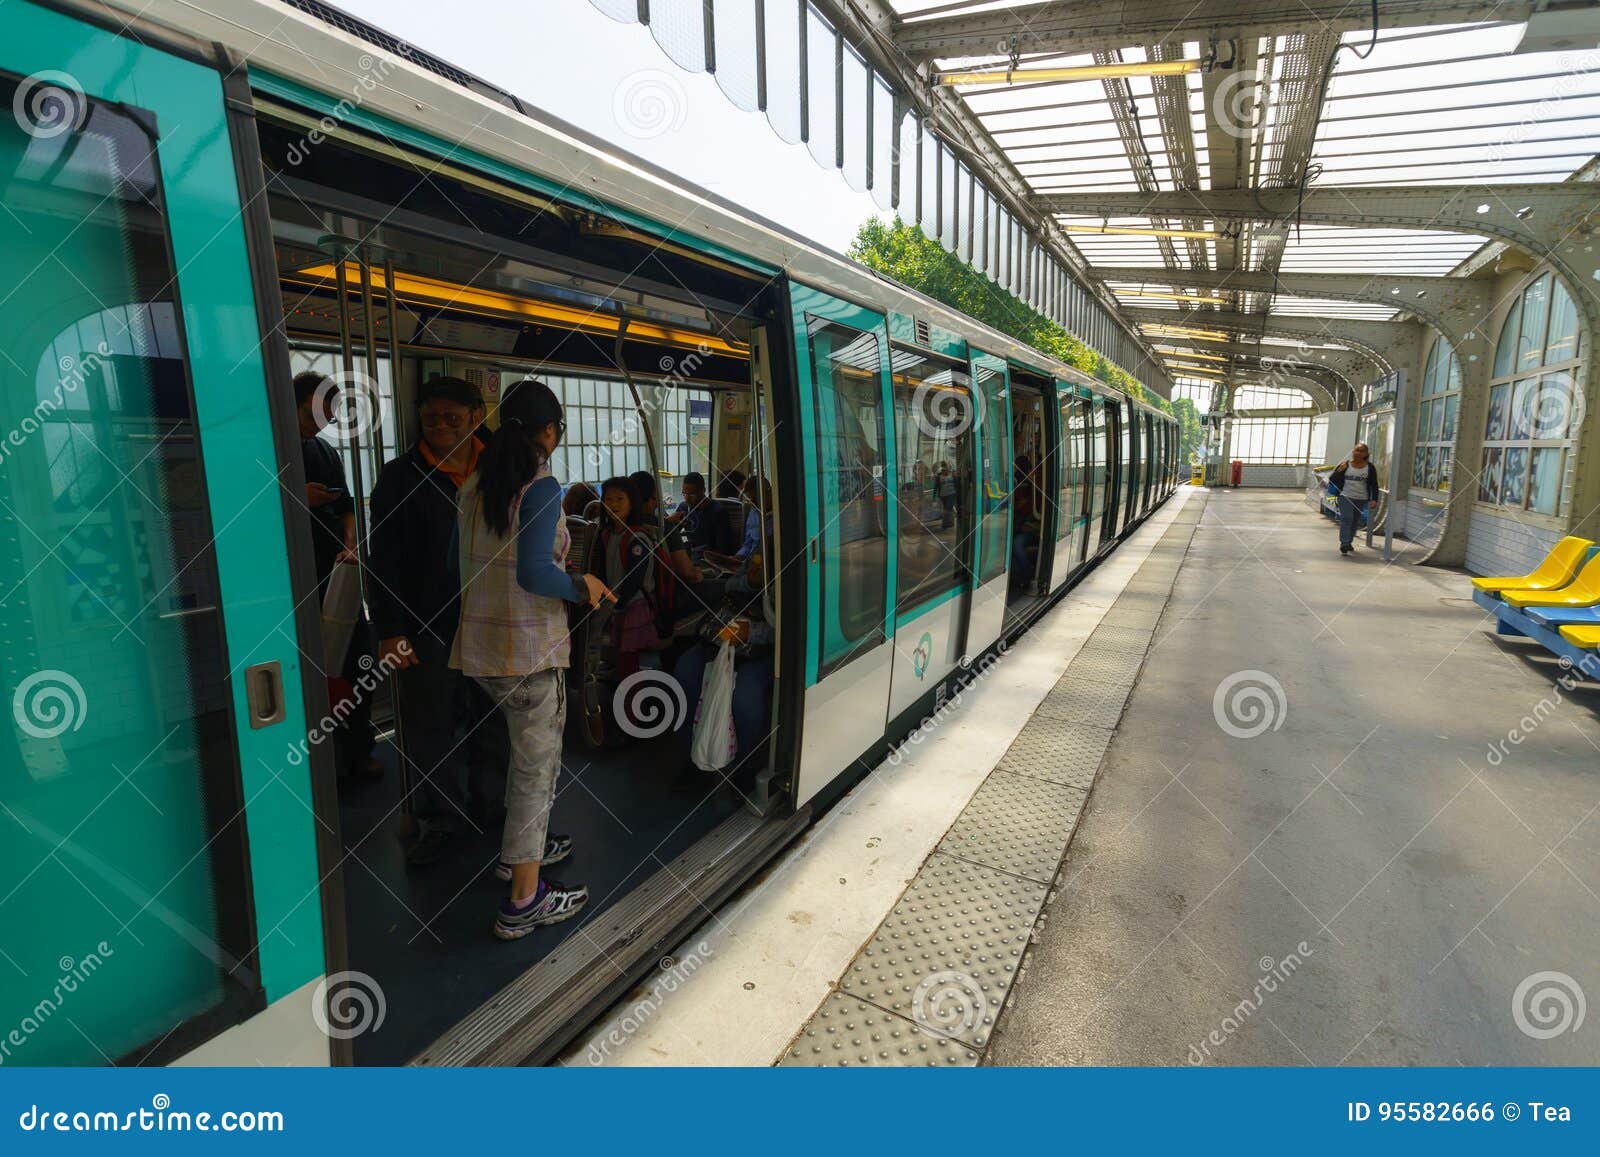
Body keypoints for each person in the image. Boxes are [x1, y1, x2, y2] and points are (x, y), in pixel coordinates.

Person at [450, 379, 613, 939]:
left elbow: (464, 565)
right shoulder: (541, 487)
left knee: (521, 762)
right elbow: (534, 574)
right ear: (549, 432)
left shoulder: (474, 484)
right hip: (529, 652)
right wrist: (583, 583)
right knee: (535, 772)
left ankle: (518, 854)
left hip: (481, 650)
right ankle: (524, 899)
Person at [368, 375, 508, 867]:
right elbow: (381, 558)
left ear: (476, 417)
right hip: (425, 623)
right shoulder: (399, 477)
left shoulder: (502, 469)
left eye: (454, 417)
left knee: (494, 720)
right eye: (432, 418)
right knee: (429, 726)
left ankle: (495, 808)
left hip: (493, 620)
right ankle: (442, 820)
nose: (442, 427)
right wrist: (389, 631)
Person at [295, 370, 380, 781]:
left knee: (359, 661)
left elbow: (347, 504)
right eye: (313, 412)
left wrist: (350, 541)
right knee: (309, 671)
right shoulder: (265, 449)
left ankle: (358, 750)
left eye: (328, 414)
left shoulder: (326, 453)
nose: (322, 422)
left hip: (337, 573)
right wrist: (296, 495)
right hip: (295, 578)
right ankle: (316, 762)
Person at [673, 546, 775, 778]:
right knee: (686, 671)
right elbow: (730, 585)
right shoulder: (761, 548)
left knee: (744, 696)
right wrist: (750, 582)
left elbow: (789, 628)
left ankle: (744, 766)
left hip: (763, 648)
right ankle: (693, 752)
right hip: (727, 634)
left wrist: (753, 633)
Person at [596, 475, 659, 674]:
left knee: (629, 659)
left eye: (620, 499)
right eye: (608, 499)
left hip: (633, 606)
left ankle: (631, 700)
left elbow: (635, 579)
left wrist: (616, 603)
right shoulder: (606, 535)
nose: (613, 504)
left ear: (632, 503)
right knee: (622, 657)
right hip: (616, 604)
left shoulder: (637, 538)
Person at [1330, 443, 1380, 556]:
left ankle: (1349, 541)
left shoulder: (1370, 467)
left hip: (1361, 498)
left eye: (1361, 451)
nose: (1358, 453)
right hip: (1345, 496)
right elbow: (1332, 479)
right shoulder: (1345, 465)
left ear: (1366, 454)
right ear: (1353, 452)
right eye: (1356, 450)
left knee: (1354, 521)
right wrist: (1339, 471)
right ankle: (1344, 543)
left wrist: (1374, 499)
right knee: (1347, 518)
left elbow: (1374, 485)